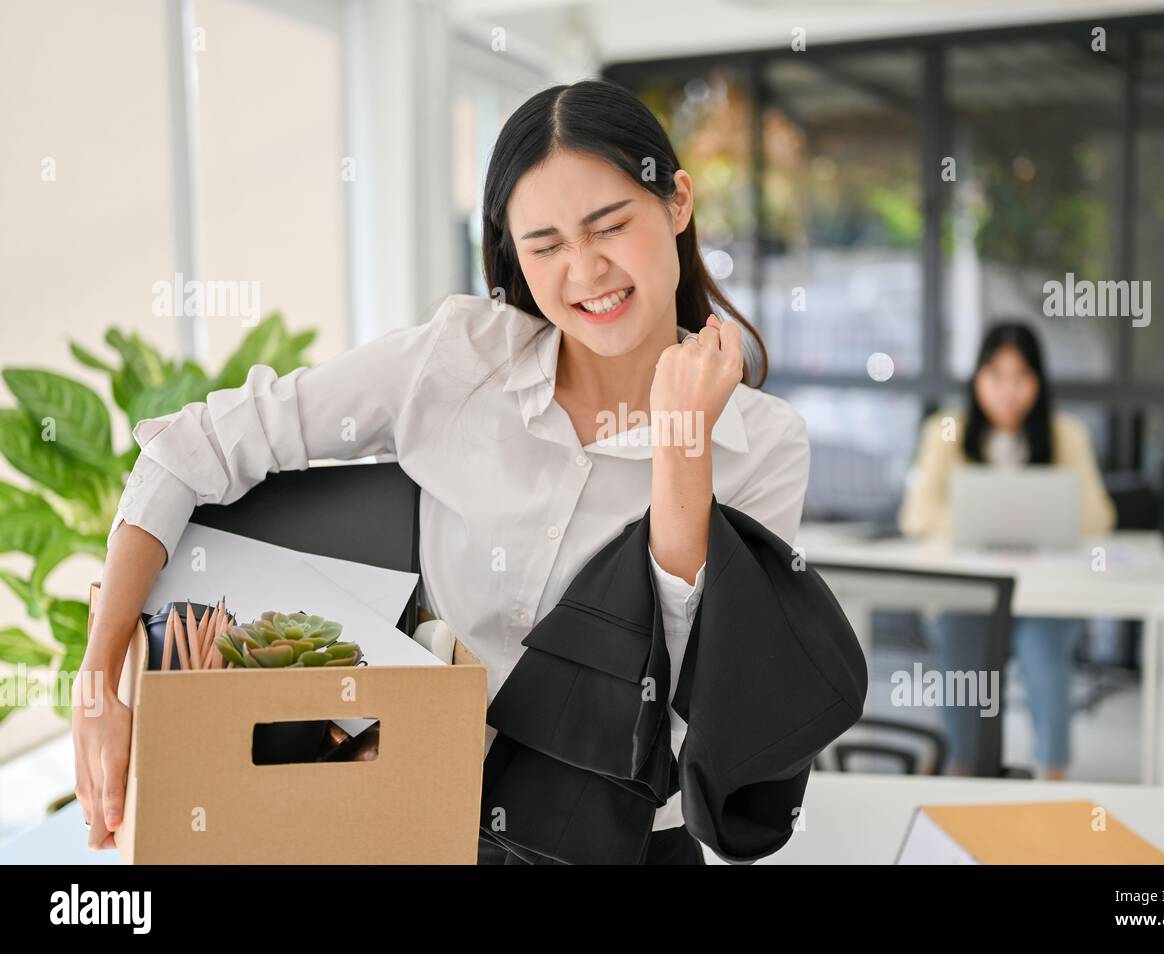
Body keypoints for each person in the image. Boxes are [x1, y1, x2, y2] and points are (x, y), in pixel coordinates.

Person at [72, 79, 811, 864]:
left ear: (677, 202)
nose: (586, 270)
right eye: (545, 245)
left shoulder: (762, 444)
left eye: (610, 225)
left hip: (624, 847)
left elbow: (697, 687)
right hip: (416, 818)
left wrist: (683, 443)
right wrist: (98, 687)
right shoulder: (458, 363)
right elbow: (189, 450)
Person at [897, 322, 1115, 780]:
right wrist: (983, 521)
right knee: (961, 641)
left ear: (1038, 382)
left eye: (1021, 377)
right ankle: (963, 767)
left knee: (1043, 650)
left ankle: (1052, 774)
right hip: (970, 593)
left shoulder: (1065, 434)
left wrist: (1034, 519)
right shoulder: (946, 430)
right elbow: (915, 515)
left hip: (1045, 595)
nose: (1008, 391)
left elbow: (1099, 516)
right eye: (996, 376)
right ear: (978, 378)